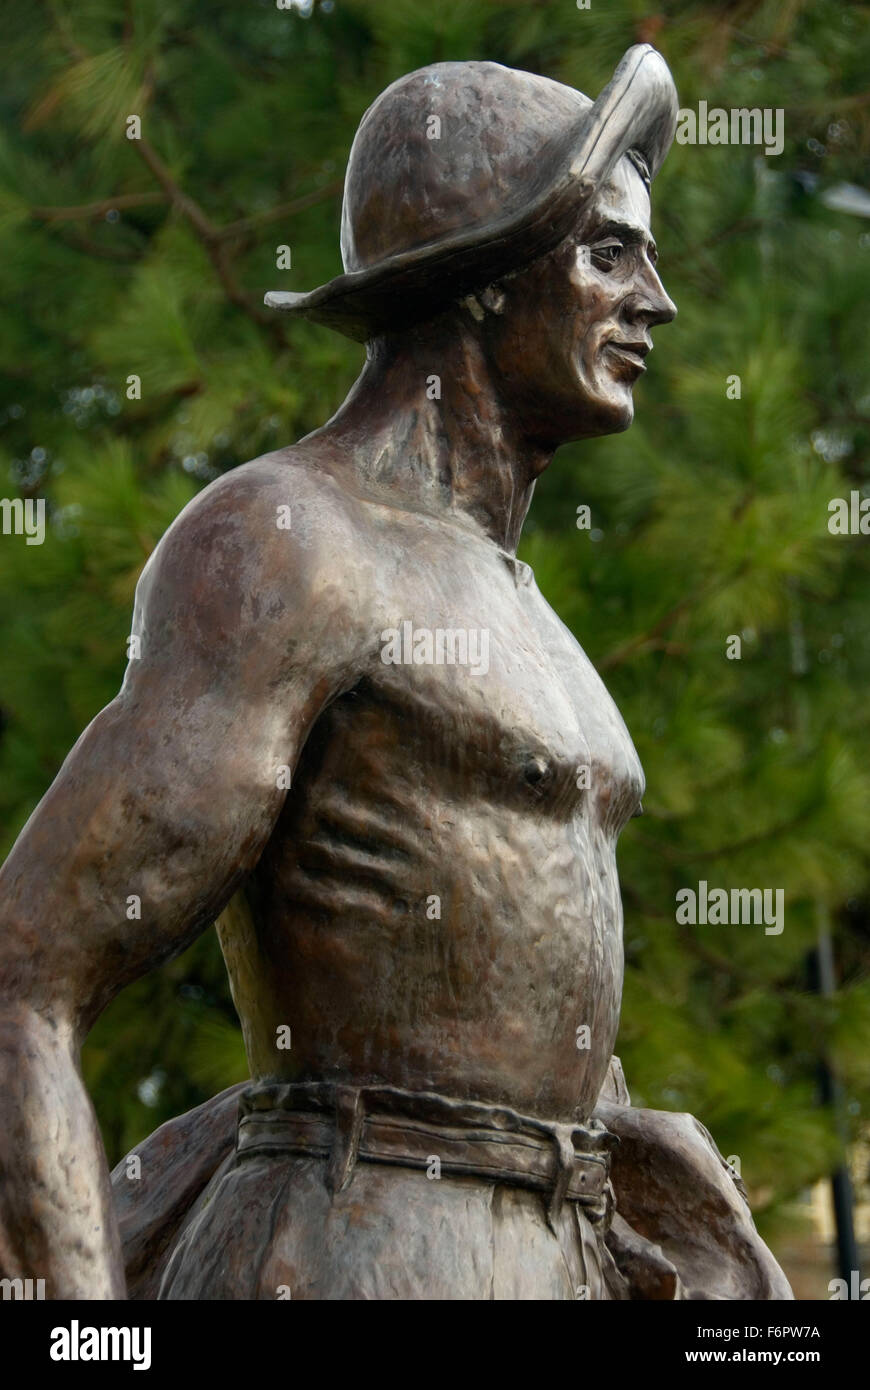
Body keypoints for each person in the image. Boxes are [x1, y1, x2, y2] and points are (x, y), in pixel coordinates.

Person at [0, 46, 792, 1300]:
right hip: (355, 1254)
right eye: (607, 254)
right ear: (479, 286)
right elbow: (25, 971)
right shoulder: (288, 546)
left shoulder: (525, 607)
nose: (659, 299)